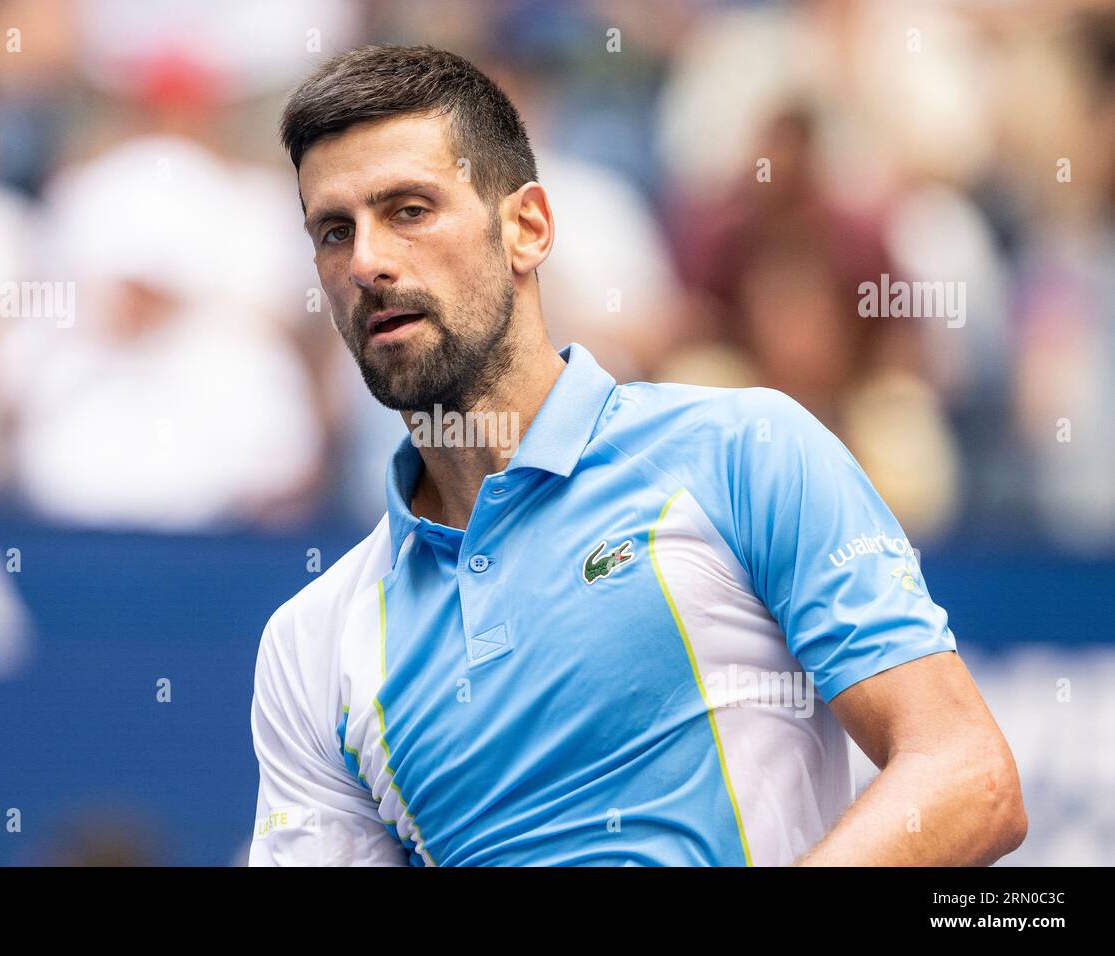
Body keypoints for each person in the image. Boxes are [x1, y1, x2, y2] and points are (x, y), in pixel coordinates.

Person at [246, 44, 1026, 866]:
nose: (366, 260)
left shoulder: (746, 450)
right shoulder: (309, 644)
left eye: (408, 210)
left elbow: (966, 773)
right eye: (335, 231)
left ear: (527, 227)